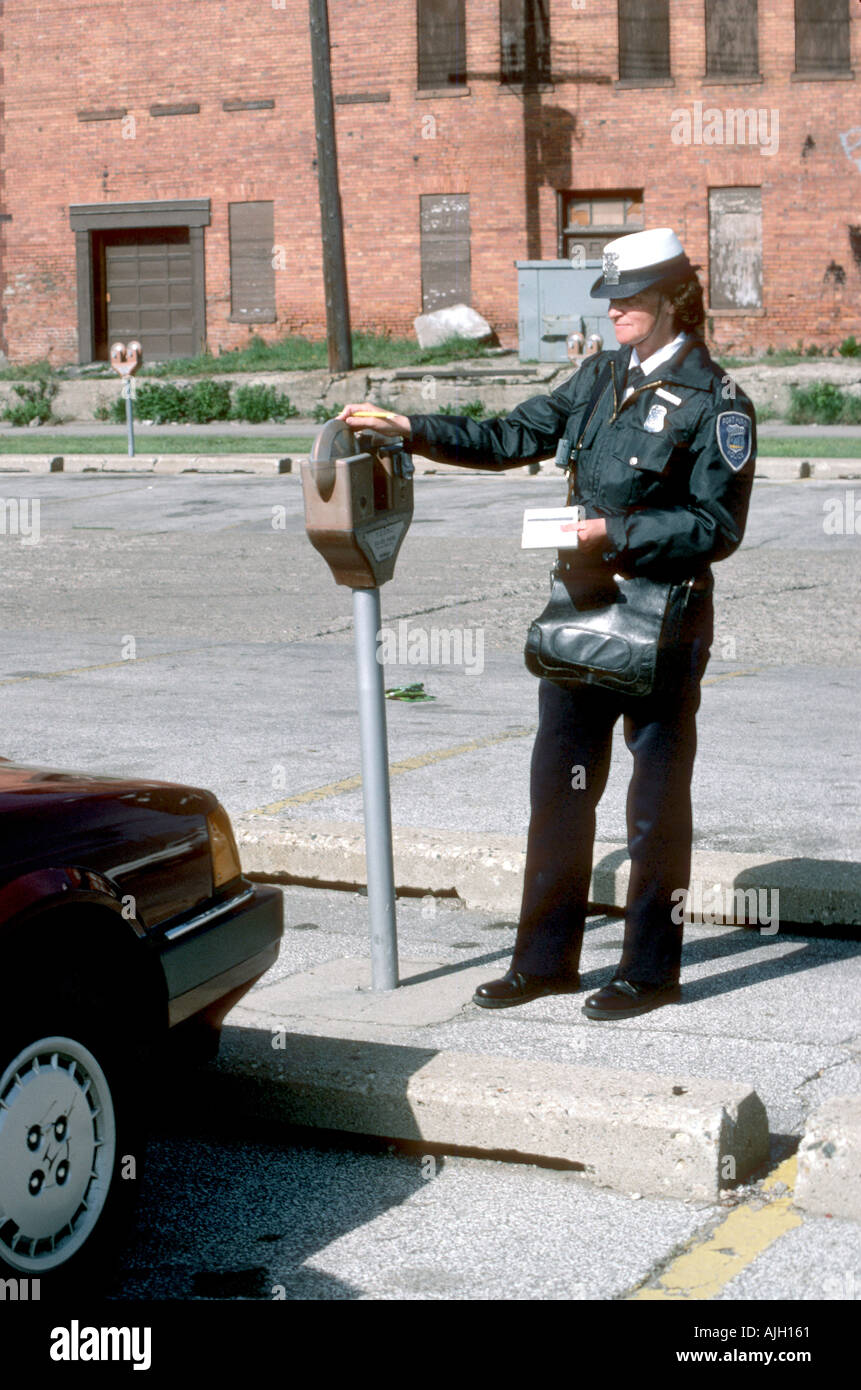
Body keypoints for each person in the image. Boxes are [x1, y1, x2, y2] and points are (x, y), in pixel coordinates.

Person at [338, 227, 756, 1021]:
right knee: (557, 793)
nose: (615, 314)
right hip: (579, 614)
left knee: (653, 807)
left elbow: (716, 527)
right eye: (610, 301)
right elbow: (514, 435)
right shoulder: (599, 377)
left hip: (660, 624)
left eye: (630, 300)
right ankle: (543, 962)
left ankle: (648, 971)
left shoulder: (719, 403)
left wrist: (615, 533)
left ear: (675, 300)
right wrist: (414, 431)